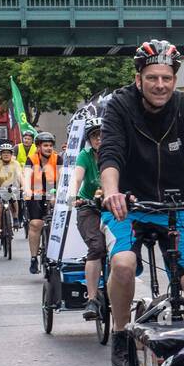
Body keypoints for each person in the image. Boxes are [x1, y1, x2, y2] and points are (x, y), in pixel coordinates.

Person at [97, 39, 184, 366]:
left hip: (175, 204)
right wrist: (112, 192)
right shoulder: (120, 106)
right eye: (152, 78)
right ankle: (120, 332)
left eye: (167, 78)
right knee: (122, 264)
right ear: (138, 80)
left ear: (174, 80)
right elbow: (111, 154)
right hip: (128, 204)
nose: (160, 85)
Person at [70, 117, 108, 321]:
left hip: (113, 206)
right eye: (94, 135)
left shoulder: (116, 153)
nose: (99, 138)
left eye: (102, 134)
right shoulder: (85, 156)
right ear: (89, 139)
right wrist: (74, 197)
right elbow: (77, 177)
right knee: (97, 247)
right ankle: (92, 299)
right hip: (89, 207)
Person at [22, 131, 59, 274]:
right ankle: (33, 258)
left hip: (52, 193)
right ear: (38, 147)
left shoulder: (58, 158)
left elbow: (62, 178)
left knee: (57, 224)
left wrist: (60, 194)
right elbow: (26, 176)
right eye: (45, 145)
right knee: (36, 224)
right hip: (35, 194)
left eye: (50, 145)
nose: (49, 148)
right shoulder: (32, 159)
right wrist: (27, 190)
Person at [0, 142, 23, 250]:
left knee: (14, 198)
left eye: (8, 153)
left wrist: (23, 186)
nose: (6, 155)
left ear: (11, 154)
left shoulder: (15, 163)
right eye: (4, 153)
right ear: (0, 154)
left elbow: (19, 176)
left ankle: (15, 218)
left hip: (11, 188)